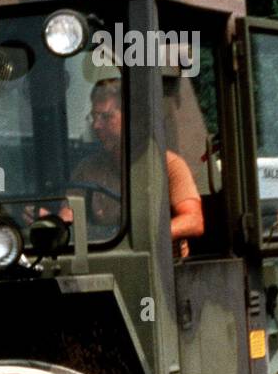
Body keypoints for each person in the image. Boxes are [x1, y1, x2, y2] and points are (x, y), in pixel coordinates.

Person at [72, 79, 204, 256]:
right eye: (93, 117)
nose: (96, 126)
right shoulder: (87, 169)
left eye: (106, 117)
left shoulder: (168, 165)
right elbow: (69, 216)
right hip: (106, 262)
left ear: (131, 118)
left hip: (160, 269)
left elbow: (194, 220)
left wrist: (147, 237)